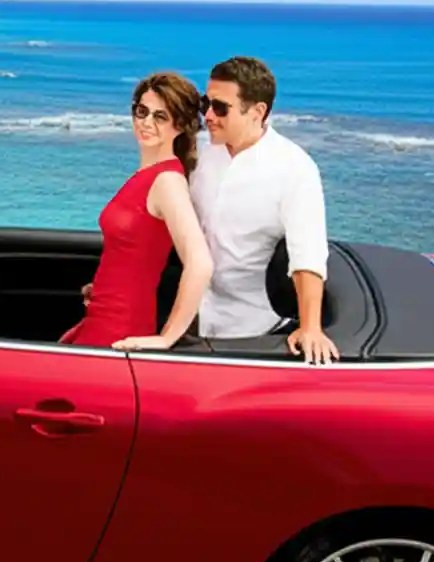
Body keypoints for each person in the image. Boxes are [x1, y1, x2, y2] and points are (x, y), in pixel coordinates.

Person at [122, 56, 339, 364]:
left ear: (258, 112)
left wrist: (311, 327)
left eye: (221, 108)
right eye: (205, 104)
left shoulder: (295, 169)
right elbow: (168, 223)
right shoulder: (201, 153)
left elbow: (308, 254)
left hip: (250, 334)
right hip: (188, 319)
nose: (208, 115)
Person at [60, 72, 214, 350]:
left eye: (160, 116)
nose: (146, 123)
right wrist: (102, 287)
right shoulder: (145, 175)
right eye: (142, 112)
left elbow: (200, 263)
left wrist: (167, 337)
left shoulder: (167, 181)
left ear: (180, 126)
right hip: (101, 313)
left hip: (121, 327)